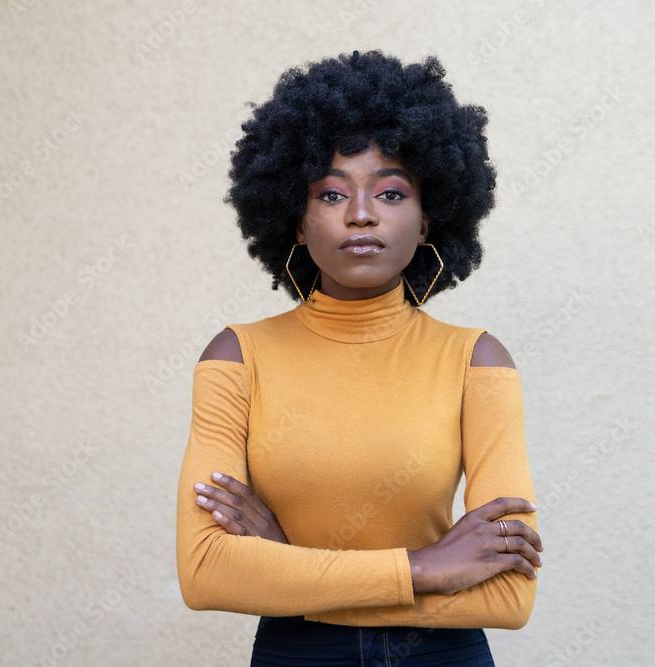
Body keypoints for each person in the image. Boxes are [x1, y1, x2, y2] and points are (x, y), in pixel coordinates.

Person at [176, 50, 542, 666]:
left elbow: (508, 597)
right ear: (297, 222)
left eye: (391, 192)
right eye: (331, 194)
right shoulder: (237, 355)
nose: (362, 213)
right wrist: (425, 567)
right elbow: (206, 572)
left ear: (427, 221)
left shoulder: (476, 360)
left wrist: (289, 570)